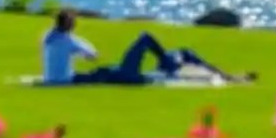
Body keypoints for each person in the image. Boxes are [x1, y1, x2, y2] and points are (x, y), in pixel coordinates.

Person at [41, 9, 248, 85]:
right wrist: (90, 55)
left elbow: (82, 53)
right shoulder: (69, 40)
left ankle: (171, 62)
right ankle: (169, 62)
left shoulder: (49, 38)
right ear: (69, 26)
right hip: (126, 76)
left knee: (183, 53)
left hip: (112, 75)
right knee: (146, 37)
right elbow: (91, 53)